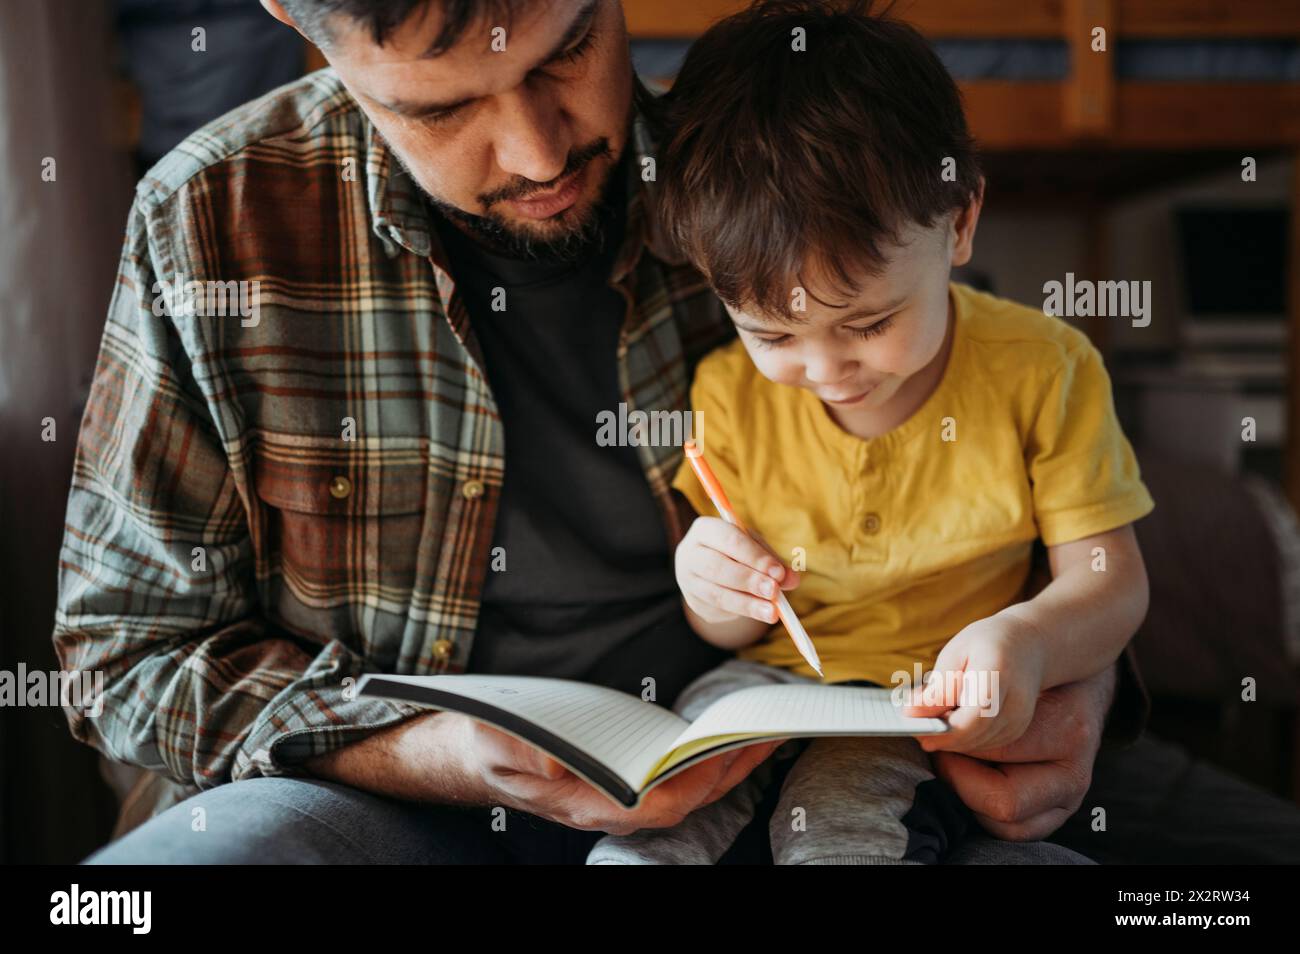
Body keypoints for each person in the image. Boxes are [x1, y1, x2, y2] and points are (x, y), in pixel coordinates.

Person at [59, 0, 1149, 864]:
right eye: (441, 110)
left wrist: (1074, 683)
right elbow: (121, 658)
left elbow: (989, 506)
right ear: (300, 26)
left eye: (564, 49)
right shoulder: (211, 224)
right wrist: (429, 755)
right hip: (364, 799)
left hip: (753, 761)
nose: (537, 152)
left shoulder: (760, 190)